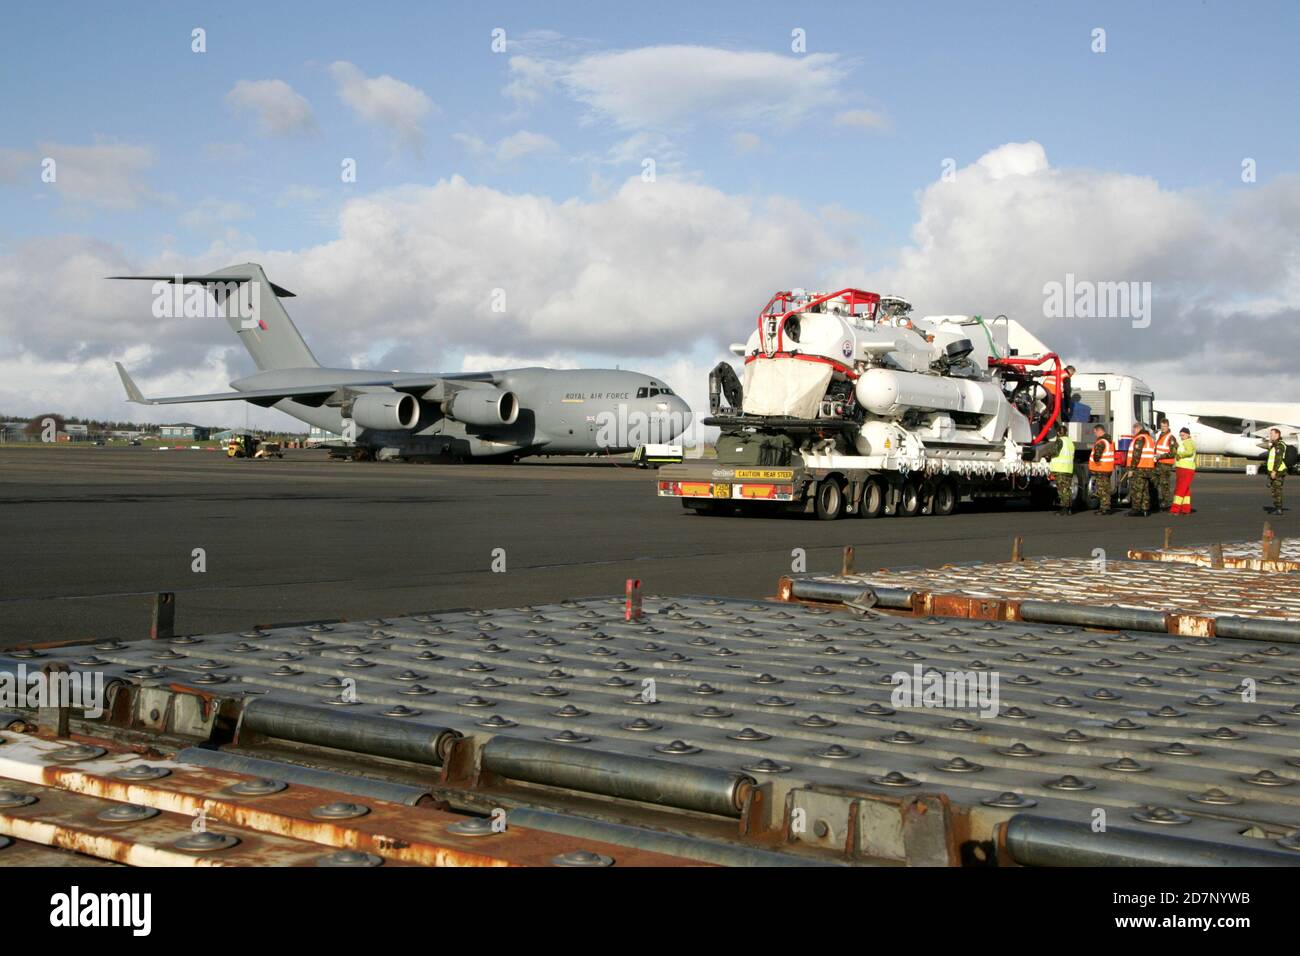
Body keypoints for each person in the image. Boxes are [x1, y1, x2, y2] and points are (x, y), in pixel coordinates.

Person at [1127, 423, 1156, 517]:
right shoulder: (1149, 438)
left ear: (1138, 428)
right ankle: (1145, 509)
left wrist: (1132, 468)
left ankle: (1136, 509)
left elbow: (1136, 455)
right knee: (1145, 489)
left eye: (1133, 430)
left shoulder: (1140, 438)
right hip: (1148, 468)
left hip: (1139, 468)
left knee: (1137, 489)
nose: (1133, 432)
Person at [1047, 423, 1076, 515]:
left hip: (1061, 469)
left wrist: (1047, 454)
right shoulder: (1070, 442)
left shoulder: (1060, 441)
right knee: (1067, 489)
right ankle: (1069, 508)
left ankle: (1064, 508)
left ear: (1059, 433)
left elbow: (1055, 452)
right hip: (1068, 469)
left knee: (1062, 489)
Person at [1088, 423, 1116, 514]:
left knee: (1102, 489)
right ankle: (1106, 507)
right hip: (1107, 469)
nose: (1095, 434)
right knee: (1106, 488)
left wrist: (1095, 461)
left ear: (1099, 430)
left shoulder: (1101, 442)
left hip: (1101, 468)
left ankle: (1104, 508)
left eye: (1095, 432)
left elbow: (1097, 454)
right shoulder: (1109, 441)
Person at [1170, 426, 1196, 515]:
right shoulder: (1184, 442)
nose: (1182, 437)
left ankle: (1175, 509)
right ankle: (1186, 508)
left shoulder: (1188, 442)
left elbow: (1189, 452)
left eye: (1183, 435)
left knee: (1180, 489)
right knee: (1185, 489)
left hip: (1186, 468)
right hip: (1182, 467)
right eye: (1180, 435)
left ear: (1188, 435)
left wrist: (1179, 455)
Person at [1263, 427, 1289, 514]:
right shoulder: (1274, 445)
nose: (1270, 436)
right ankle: (1278, 507)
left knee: (1277, 490)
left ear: (1277, 435)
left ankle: (1279, 509)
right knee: (1274, 490)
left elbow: (1278, 459)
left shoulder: (1280, 445)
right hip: (1273, 471)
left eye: (1272, 434)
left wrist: (1274, 471)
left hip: (1278, 471)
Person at [1153, 418, 1177, 511]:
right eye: (1162, 426)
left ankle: (1166, 504)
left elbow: (1173, 453)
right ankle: (1156, 503)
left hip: (1165, 465)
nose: (1163, 428)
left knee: (1164, 485)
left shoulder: (1171, 438)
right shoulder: (1160, 435)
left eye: (1165, 426)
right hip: (1158, 464)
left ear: (1168, 426)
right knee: (1155, 483)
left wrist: (1161, 456)